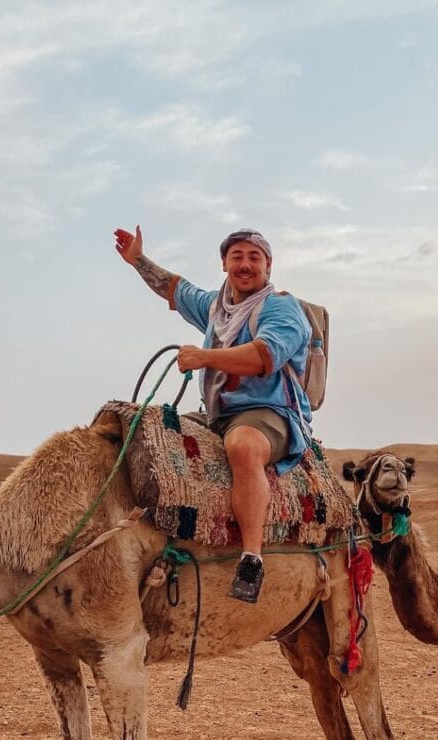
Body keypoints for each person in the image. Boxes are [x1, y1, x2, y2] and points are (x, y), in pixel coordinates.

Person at [114, 225, 312, 604]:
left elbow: (263, 357)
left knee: (242, 446)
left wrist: (205, 357)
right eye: (237, 256)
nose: (245, 264)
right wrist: (137, 259)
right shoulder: (216, 308)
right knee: (150, 431)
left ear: (268, 266)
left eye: (255, 257)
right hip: (217, 412)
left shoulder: (282, 308)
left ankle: (251, 558)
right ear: (224, 263)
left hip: (269, 411)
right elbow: (173, 288)